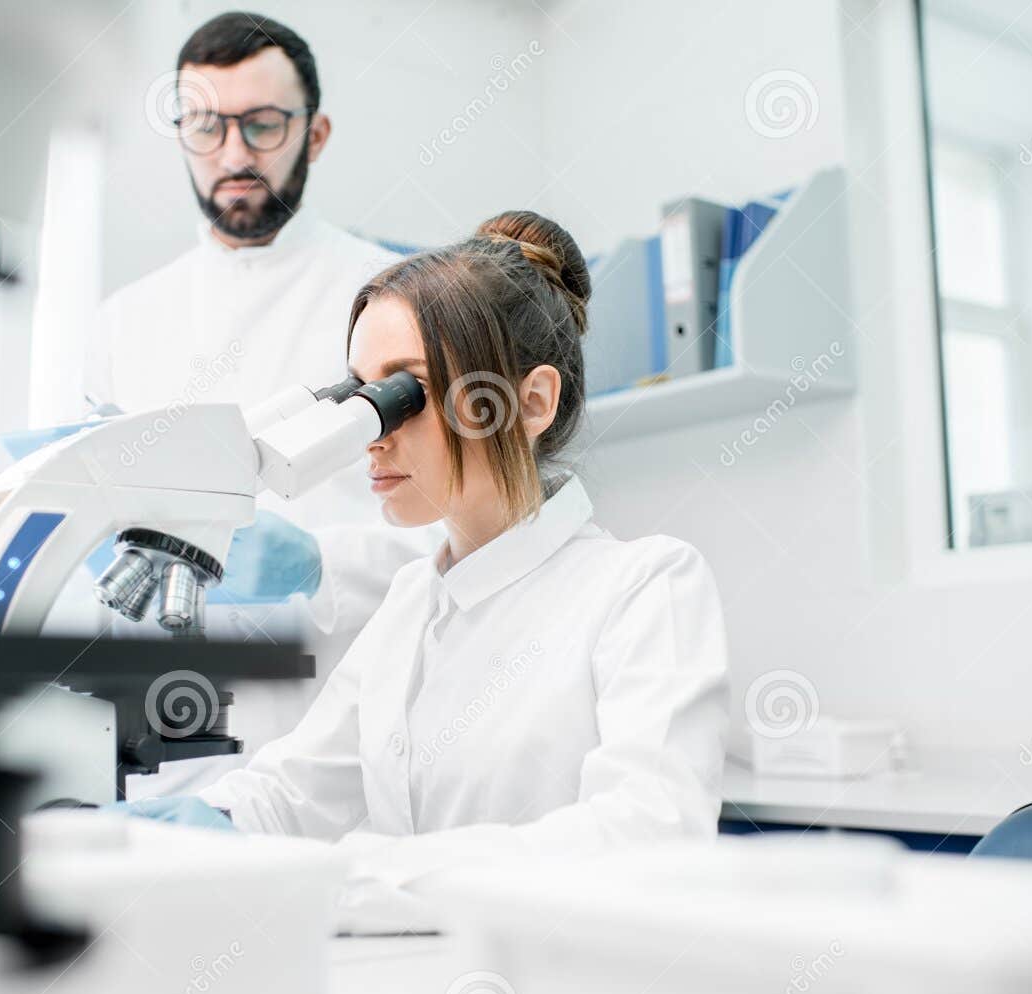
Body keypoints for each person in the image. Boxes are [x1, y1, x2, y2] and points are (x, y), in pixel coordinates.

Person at [112, 210, 731, 880]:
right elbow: (297, 790)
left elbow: (653, 831)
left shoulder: (645, 588)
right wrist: (205, 826)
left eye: (406, 392)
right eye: (360, 394)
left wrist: (366, 870)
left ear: (530, 403)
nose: (370, 434)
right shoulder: (413, 603)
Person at [62, 12, 432, 797]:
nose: (234, 154)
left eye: (262, 126)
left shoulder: (396, 302)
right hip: (155, 754)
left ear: (316, 134)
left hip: (337, 746)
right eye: (205, 126)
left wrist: (316, 564)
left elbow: (456, 539)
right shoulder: (124, 321)